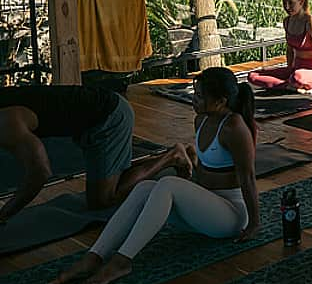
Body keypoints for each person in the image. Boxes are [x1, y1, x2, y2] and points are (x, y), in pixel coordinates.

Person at [49, 67, 260, 284]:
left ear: (220, 101)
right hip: (207, 210)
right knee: (145, 188)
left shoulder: (235, 127)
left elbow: (248, 177)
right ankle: (94, 256)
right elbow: (208, 173)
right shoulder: (201, 121)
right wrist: (191, 171)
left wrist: (254, 224)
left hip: (231, 217)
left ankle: (122, 260)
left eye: (199, 96)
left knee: (167, 184)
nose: (193, 100)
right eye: (194, 94)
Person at [0, 85, 188, 224]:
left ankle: (172, 157)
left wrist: (6, 212)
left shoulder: (6, 121)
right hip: (91, 120)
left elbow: (40, 171)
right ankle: (167, 157)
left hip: (108, 118)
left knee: (102, 200)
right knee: (111, 181)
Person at [248, 0, 312, 92]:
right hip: (295, 68)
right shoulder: (287, 21)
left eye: (291, 3)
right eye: (284, 3)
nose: (287, 7)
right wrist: (289, 69)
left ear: (301, 2)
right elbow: (289, 50)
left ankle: (297, 84)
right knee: (252, 76)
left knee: (297, 78)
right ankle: (288, 85)